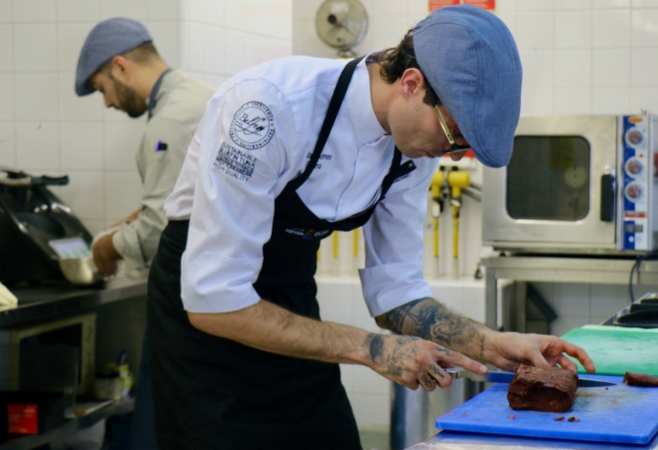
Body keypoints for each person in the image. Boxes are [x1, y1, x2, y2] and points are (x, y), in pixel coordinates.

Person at [147, 5, 595, 450]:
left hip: (291, 305)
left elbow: (395, 294)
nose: (453, 155)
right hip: (204, 332)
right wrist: (372, 349)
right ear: (412, 84)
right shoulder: (269, 107)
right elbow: (213, 300)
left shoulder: (413, 150)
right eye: (455, 136)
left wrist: (495, 345)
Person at [74, 17, 214, 450]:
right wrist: (131, 220)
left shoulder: (168, 123)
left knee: (157, 425)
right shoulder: (197, 96)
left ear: (120, 66)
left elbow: (159, 229)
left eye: (101, 88)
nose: (107, 102)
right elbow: (186, 197)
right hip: (220, 291)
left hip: (190, 299)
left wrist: (107, 246)